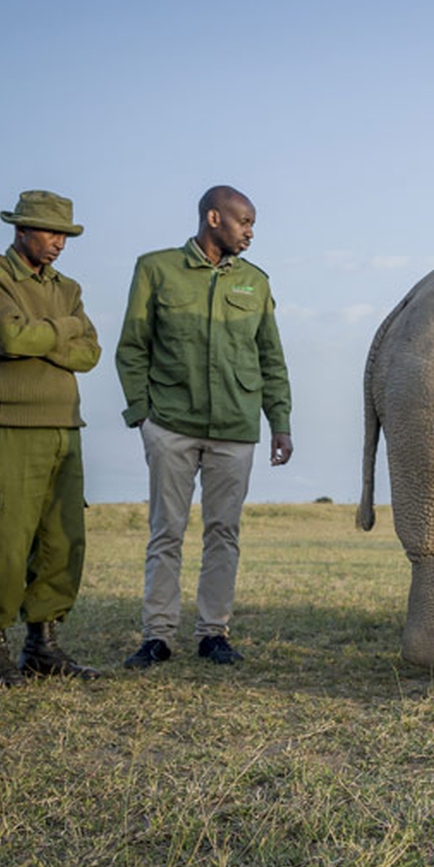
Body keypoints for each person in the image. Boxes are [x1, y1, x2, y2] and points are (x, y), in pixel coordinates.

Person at [116, 186, 292, 669]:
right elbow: (132, 346)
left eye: (253, 224)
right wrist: (142, 416)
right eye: (244, 222)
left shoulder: (256, 283)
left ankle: (213, 632)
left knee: (223, 532)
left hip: (235, 428)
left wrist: (281, 422)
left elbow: (270, 357)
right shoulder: (156, 269)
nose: (250, 232)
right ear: (214, 218)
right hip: (170, 424)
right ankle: (158, 636)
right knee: (166, 530)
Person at [0, 191, 105, 686]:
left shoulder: (68, 287)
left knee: (63, 542)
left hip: (67, 426)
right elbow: (9, 339)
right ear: (20, 229)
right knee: (4, 540)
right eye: (49, 232)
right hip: (10, 426)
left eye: (64, 234)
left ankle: (43, 647)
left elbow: (91, 354)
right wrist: (63, 331)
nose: (59, 243)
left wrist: (42, 338)